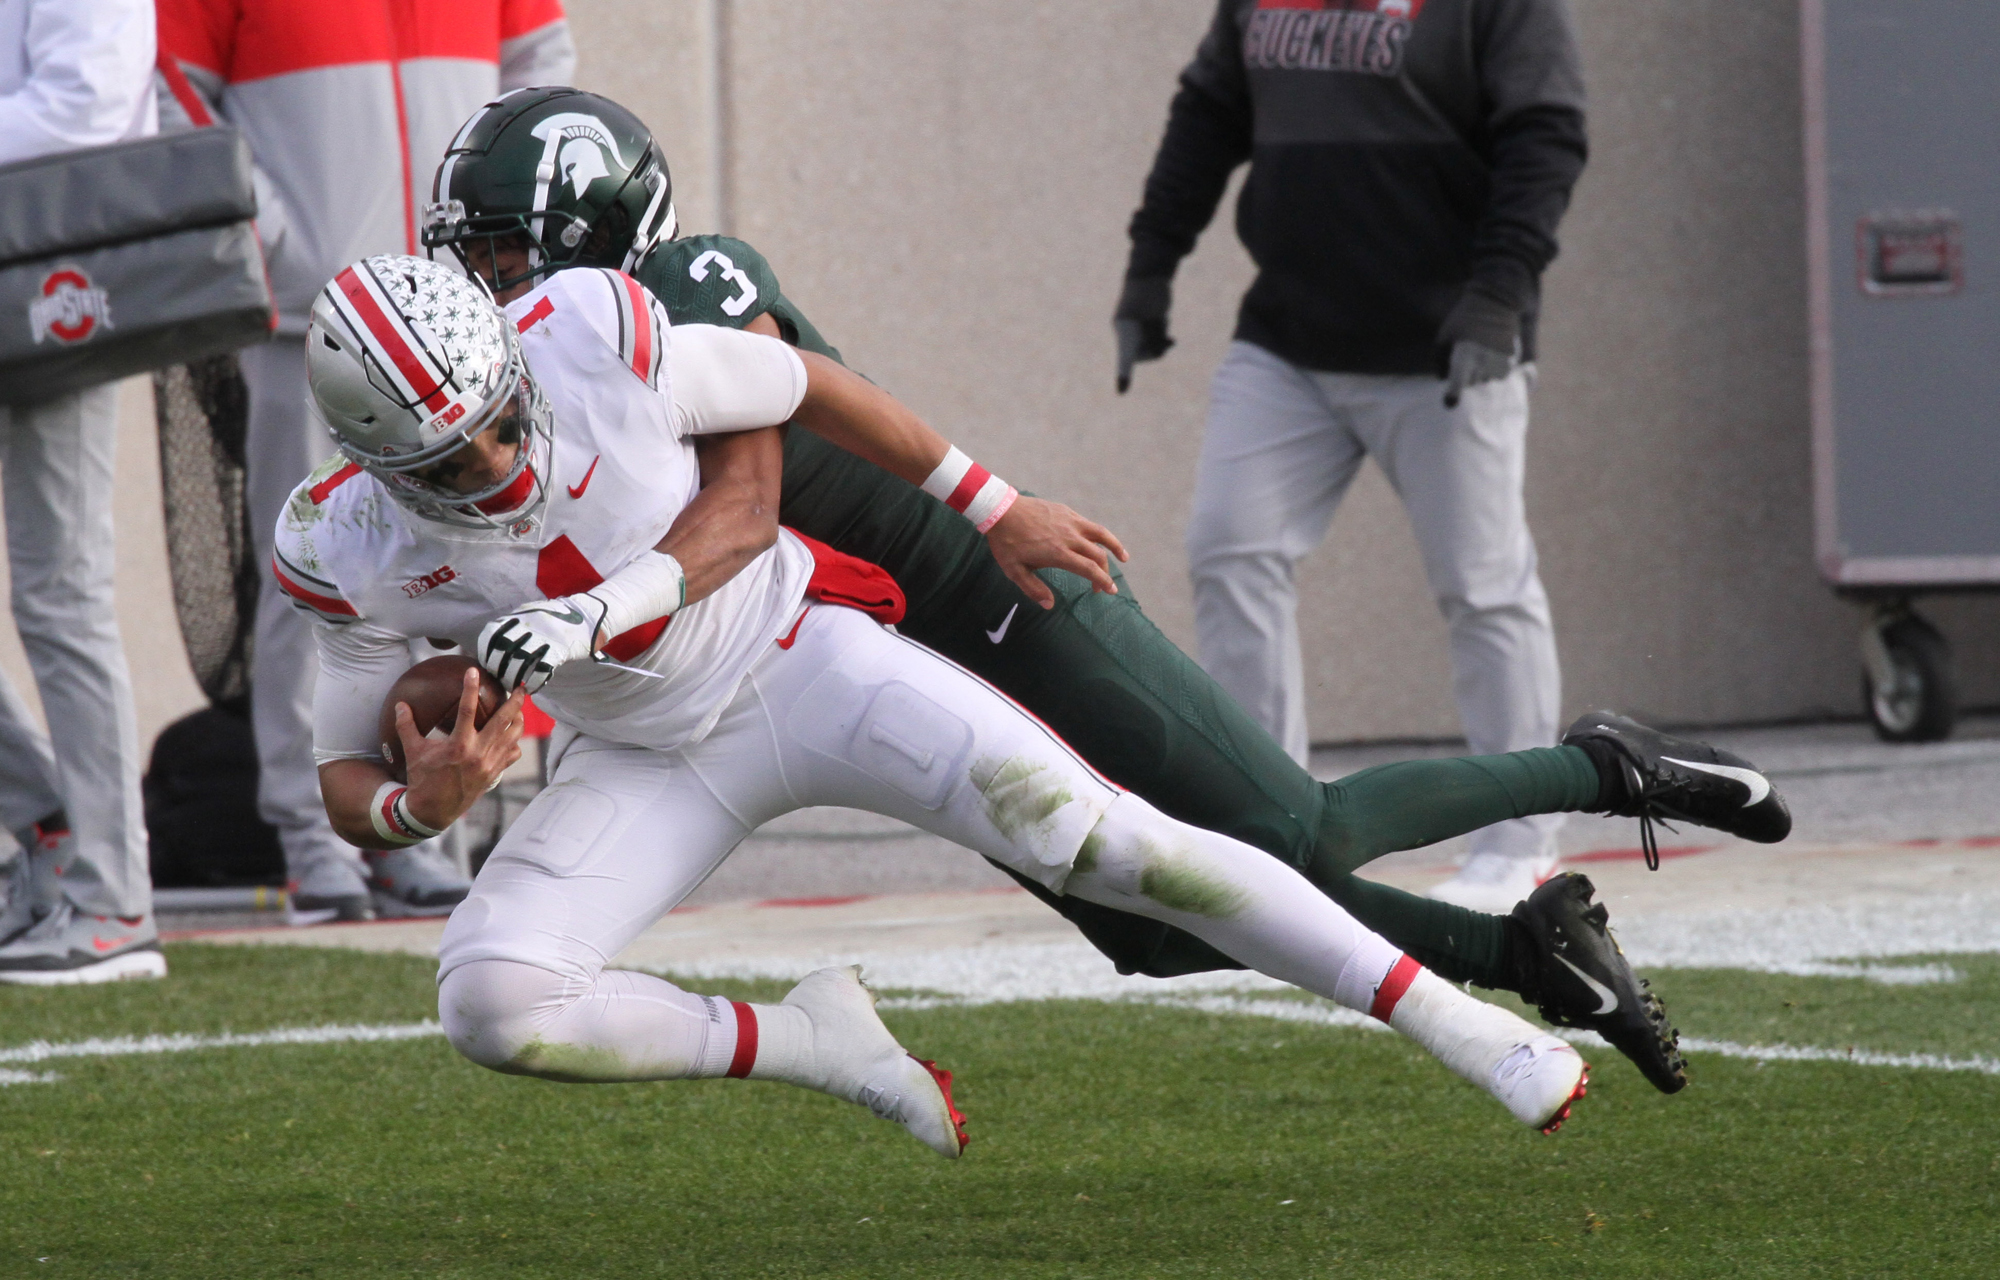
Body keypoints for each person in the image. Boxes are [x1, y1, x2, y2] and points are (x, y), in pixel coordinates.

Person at [418, 87, 1793, 1097]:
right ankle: (1527, 948)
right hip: (854, 649)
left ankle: (1601, 767)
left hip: (976, 592)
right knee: (1152, 932)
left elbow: (743, 505)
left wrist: (994, 505)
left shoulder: (685, 289)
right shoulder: (511, 404)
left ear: (593, 241)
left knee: (1288, 833)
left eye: (495, 256)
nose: (477, 288)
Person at [288, 252, 1623, 1151]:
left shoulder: (589, 334)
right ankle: (809, 1040)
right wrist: (424, 803)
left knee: (1106, 844)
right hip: (643, 755)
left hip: (798, 660)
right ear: (372, 464)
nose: (498, 464)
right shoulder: (341, 543)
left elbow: (802, 388)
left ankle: (1456, 1020)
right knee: (493, 998)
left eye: (500, 424)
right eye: (451, 462)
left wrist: (994, 506)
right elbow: (342, 782)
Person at [1113, 0, 1589, 912]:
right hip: (1290, 339)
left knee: (1483, 584)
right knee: (1230, 545)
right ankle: (1271, 832)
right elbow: (1210, 112)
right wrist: (1152, 265)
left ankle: (1519, 845)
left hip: (1449, 338)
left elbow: (1547, 135)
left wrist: (1502, 291)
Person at [153, 0, 575, 924]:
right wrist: (279, 251)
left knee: (478, 571)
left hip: (460, 328)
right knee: (308, 582)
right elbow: (175, 95)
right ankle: (316, 845)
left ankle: (438, 836)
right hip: (314, 324)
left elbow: (541, 75)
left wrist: (501, 250)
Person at [0, 0, 164, 984]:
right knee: (61, 592)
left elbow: (85, 107)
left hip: (56, 270)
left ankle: (111, 900)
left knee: (62, 590)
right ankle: (55, 825)